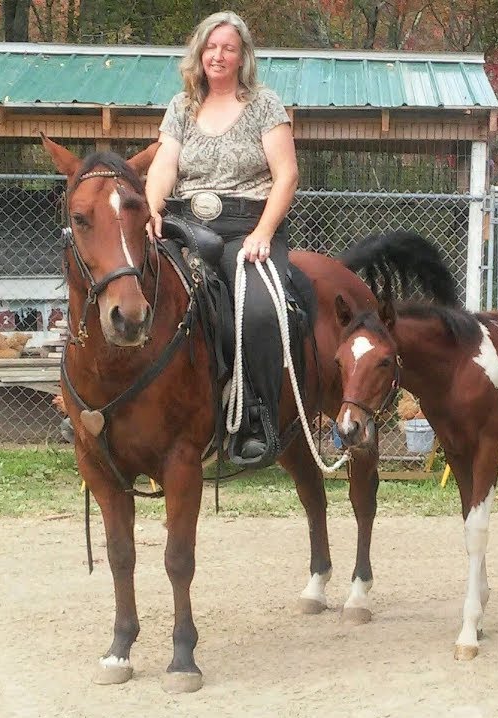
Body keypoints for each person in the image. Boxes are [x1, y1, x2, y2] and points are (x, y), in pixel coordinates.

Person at [145, 10, 300, 470]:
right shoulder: (181, 106)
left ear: (242, 56)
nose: (218, 55)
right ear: (199, 52)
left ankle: (257, 418)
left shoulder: (265, 105)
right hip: (185, 224)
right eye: (211, 47)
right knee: (136, 288)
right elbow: (163, 167)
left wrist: (263, 234)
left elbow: (287, 175)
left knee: (255, 310)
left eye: (228, 48)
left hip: (245, 227)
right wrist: (152, 207)